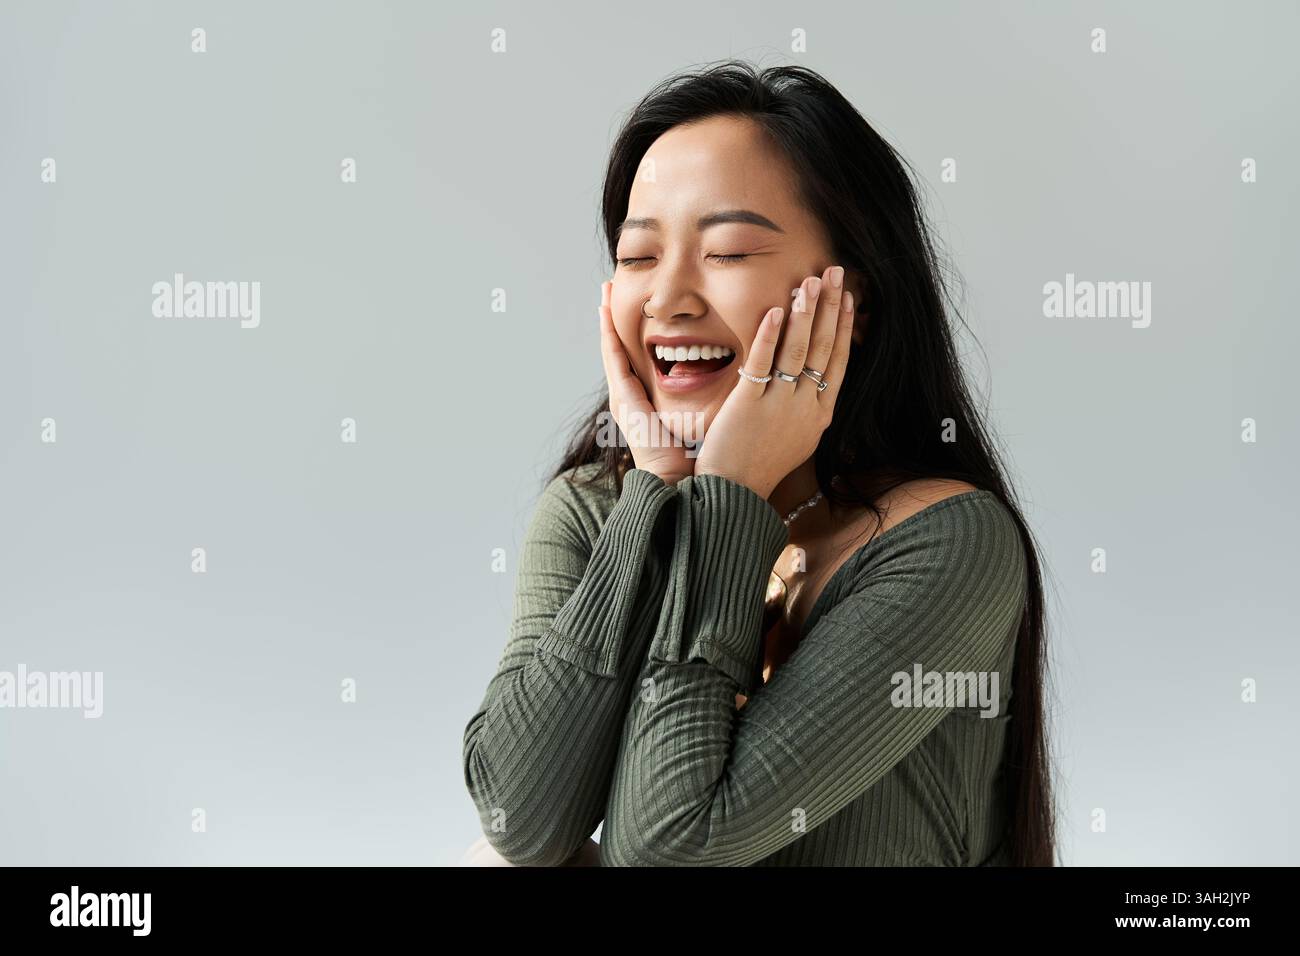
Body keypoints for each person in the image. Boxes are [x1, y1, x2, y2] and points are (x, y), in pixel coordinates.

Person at [461, 60, 1054, 867]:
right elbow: (517, 819)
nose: (668, 299)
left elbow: (669, 845)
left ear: (854, 299)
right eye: (637, 258)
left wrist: (730, 495)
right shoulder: (593, 509)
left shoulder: (949, 544)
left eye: (728, 252)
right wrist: (657, 498)